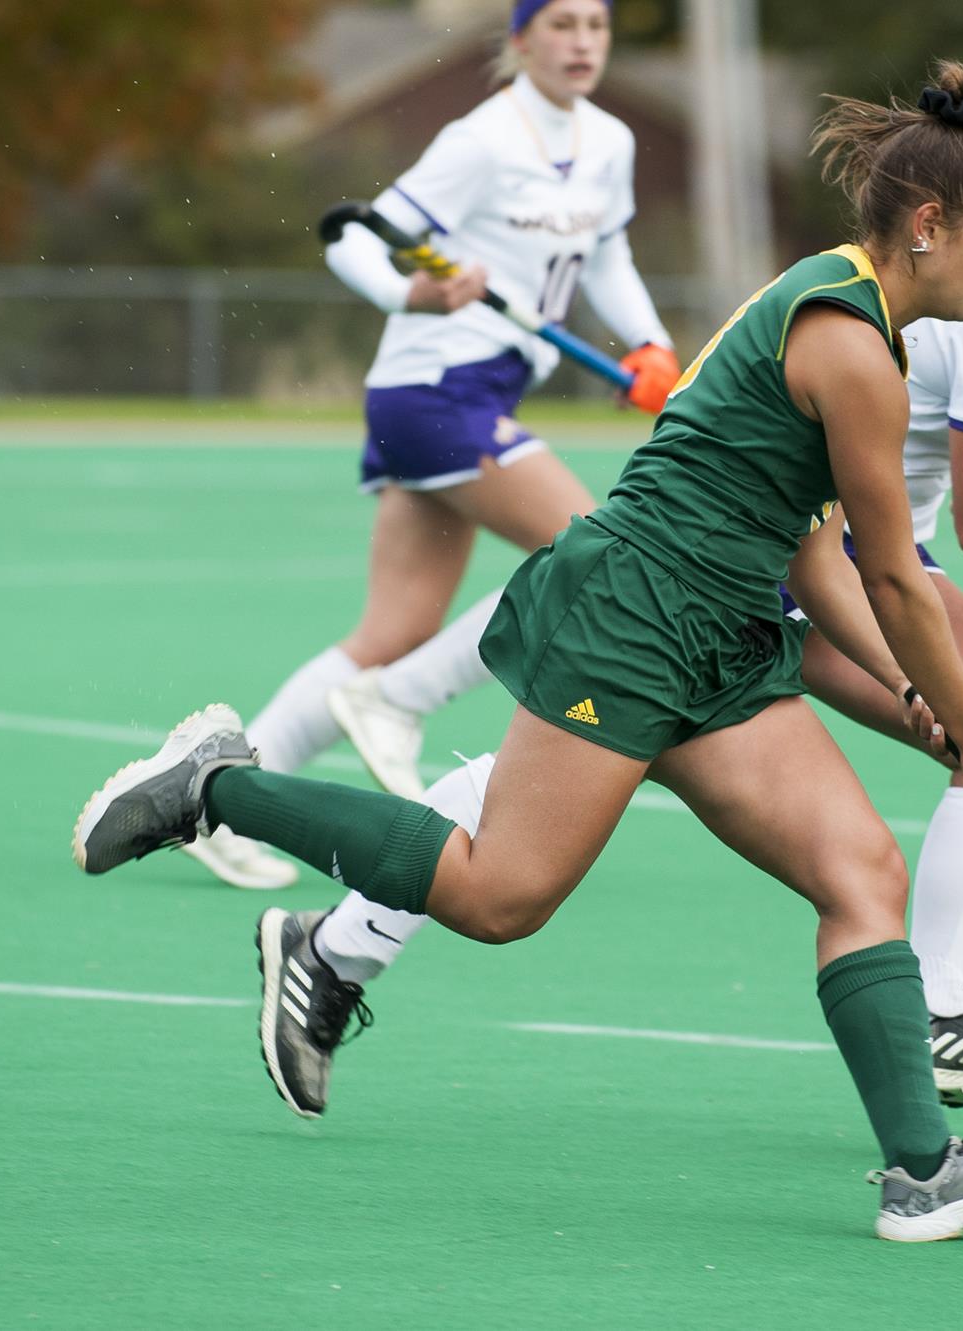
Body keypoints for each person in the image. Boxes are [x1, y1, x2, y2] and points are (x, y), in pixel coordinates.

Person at [74, 63, 963, 1243]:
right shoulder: (851, 345)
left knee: (860, 871)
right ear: (927, 227)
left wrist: (916, 697)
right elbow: (894, 572)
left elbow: (815, 562)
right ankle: (215, 784)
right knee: (503, 896)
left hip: (726, 634)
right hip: (633, 612)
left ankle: (921, 1173)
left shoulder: (860, 318)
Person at [296, 69, 963, 1114]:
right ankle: (943, 1013)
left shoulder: (960, 279)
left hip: (810, 555)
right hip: (773, 567)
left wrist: (934, 675)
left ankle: (339, 940)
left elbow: (949, 510)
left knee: (609, 771)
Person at [183, 0, 679, 890]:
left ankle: (212, 795)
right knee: (596, 552)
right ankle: (397, 702)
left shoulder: (609, 142)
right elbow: (352, 237)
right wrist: (416, 296)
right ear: (520, 39)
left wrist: (647, 347)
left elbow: (607, 258)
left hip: (471, 390)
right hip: (435, 388)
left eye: (595, 27)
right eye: (560, 25)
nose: (581, 43)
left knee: (395, 628)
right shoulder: (482, 138)